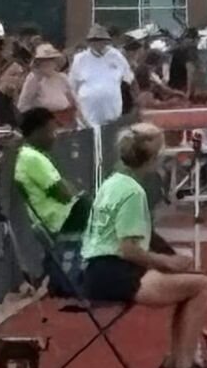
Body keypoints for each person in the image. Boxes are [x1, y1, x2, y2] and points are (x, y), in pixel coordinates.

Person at [79, 122, 207, 368]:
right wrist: (168, 262)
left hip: (98, 270)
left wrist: (171, 263)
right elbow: (129, 249)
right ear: (153, 158)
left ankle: (178, 362)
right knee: (203, 285)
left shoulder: (111, 182)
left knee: (190, 282)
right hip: (114, 274)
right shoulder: (132, 192)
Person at [13, 106, 90, 251]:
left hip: (55, 220)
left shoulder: (27, 155)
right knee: (91, 206)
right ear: (37, 132)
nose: (55, 137)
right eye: (51, 132)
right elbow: (64, 194)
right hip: (59, 221)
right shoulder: (32, 158)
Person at [69, 24, 134, 128]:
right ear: (89, 42)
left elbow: (128, 78)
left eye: (100, 40)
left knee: (110, 134)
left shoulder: (116, 56)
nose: (97, 43)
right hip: (87, 108)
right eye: (93, 40)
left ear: (106, 41)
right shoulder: (80, 59)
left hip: (112, 107)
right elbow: (72, 85)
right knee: (88, 135)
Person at [18, 43, 79, 129]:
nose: (48, 63)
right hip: (46, 126)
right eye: (44, 60)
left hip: (67, 123)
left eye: (51, 59)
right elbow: (23, 106)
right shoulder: (34, 79)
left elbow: (74, 102)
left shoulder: (62, 77)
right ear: (38, 63)